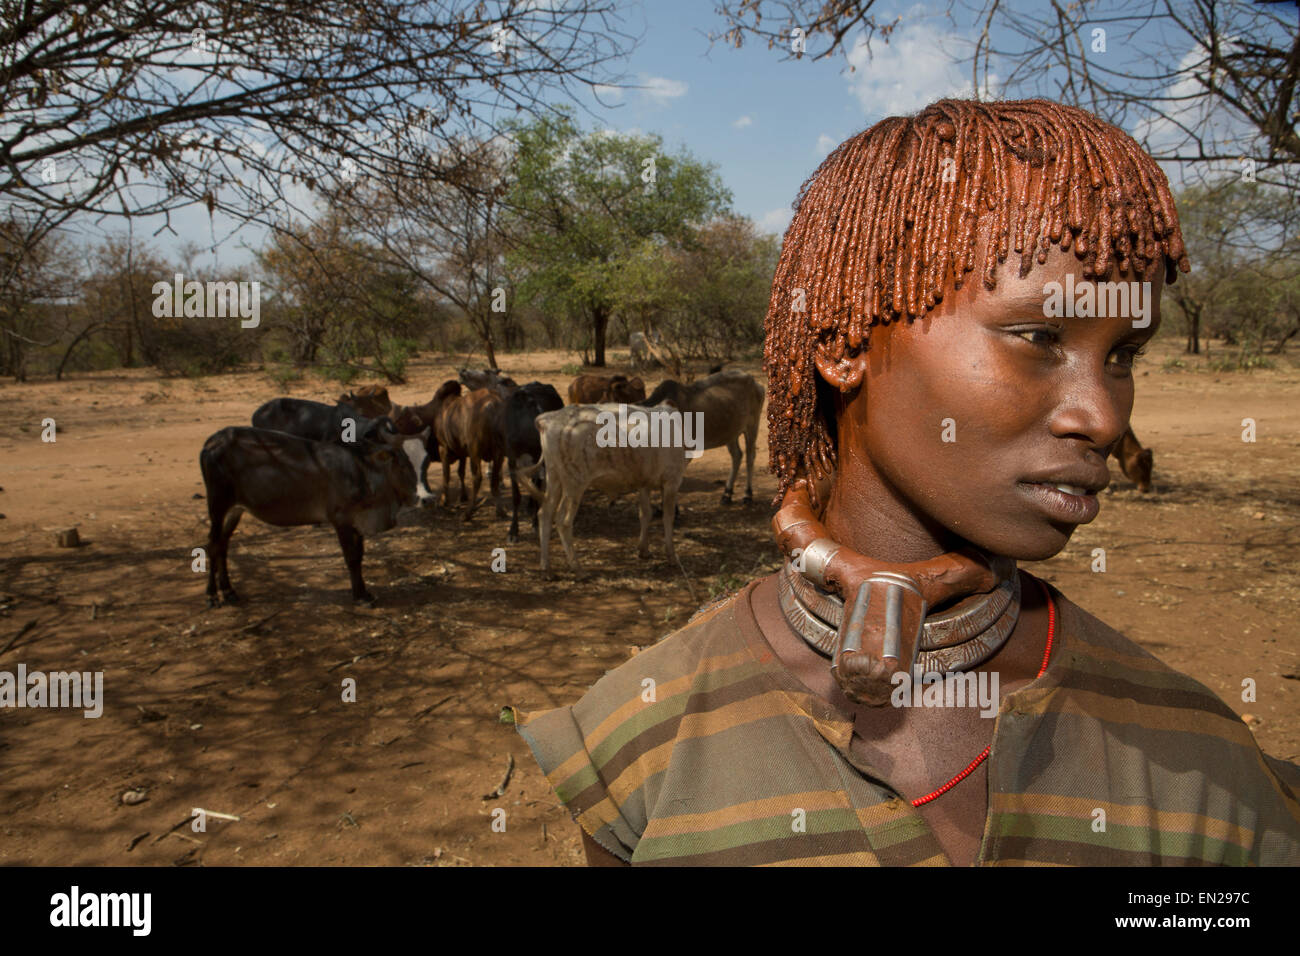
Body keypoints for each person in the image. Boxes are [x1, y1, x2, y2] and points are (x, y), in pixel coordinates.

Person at [511, 98, 1300, 866]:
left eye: (1123, 356)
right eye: (1037, 336)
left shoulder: (1204, 765)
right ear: (844, 342)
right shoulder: (639, 747)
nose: (1100, 415)